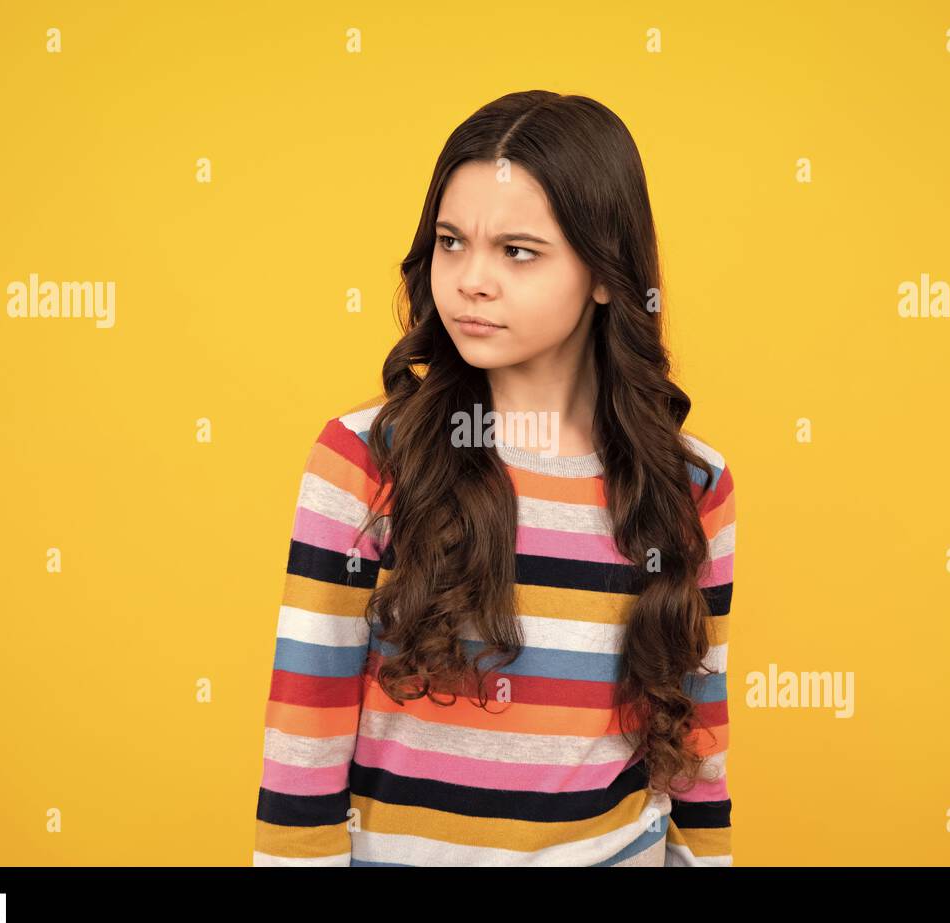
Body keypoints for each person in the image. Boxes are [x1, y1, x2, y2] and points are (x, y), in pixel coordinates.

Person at [253, 90, 735, 866]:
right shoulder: (366, 459)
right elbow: (306, 717)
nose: (471, 280)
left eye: (518, 250)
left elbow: (697, 725)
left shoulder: (691, 484)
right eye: (451, 242)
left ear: (605, 274)